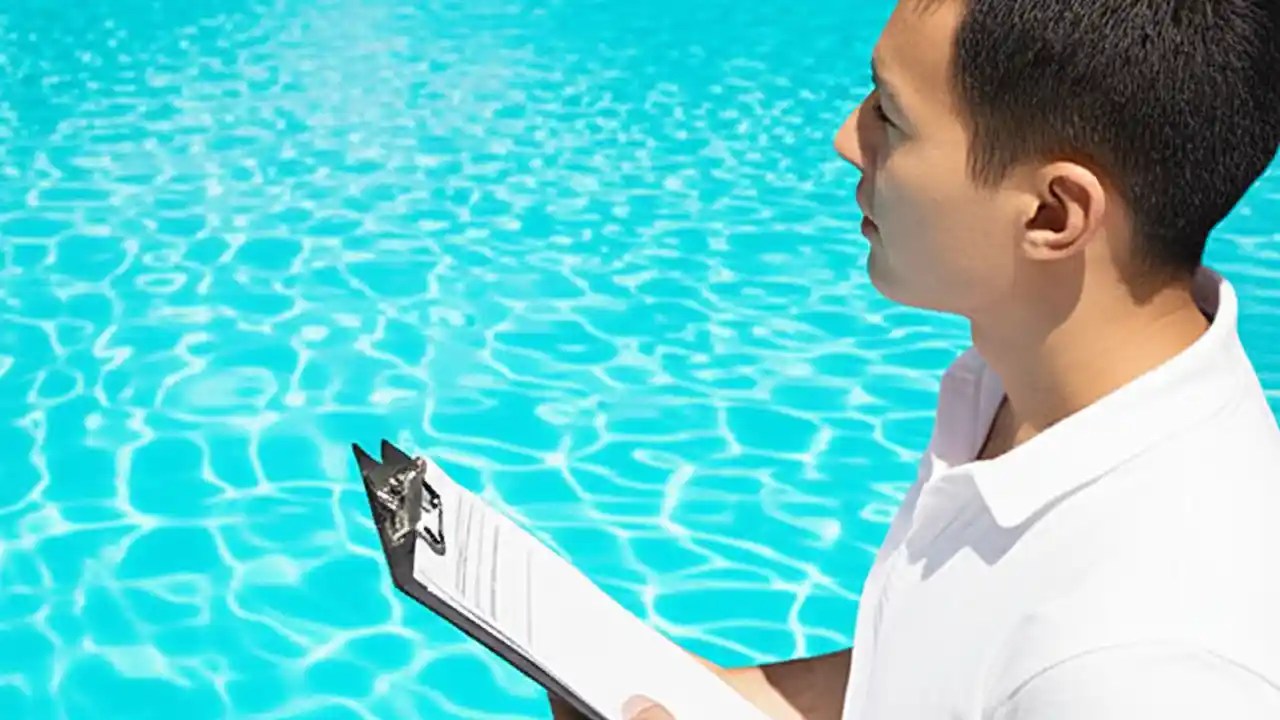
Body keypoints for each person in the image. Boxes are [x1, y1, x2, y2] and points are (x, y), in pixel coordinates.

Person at [553, 0, 1280, 717]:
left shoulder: (1141, 669)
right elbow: (937, 672)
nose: (848, 137)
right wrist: (700, 695)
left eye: (891, 118)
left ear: (1053, 213)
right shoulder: (1035, 383)